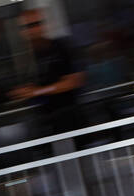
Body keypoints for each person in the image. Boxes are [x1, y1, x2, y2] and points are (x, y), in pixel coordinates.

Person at [8, 7, 84, 137]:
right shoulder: (24, 56)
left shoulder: (61, 46)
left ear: (45, 25)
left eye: (35, 24)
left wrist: (37, 91)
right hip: (42, 124)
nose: (31, 30)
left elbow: (74, 81)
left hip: (69, 119)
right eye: (26, 27)